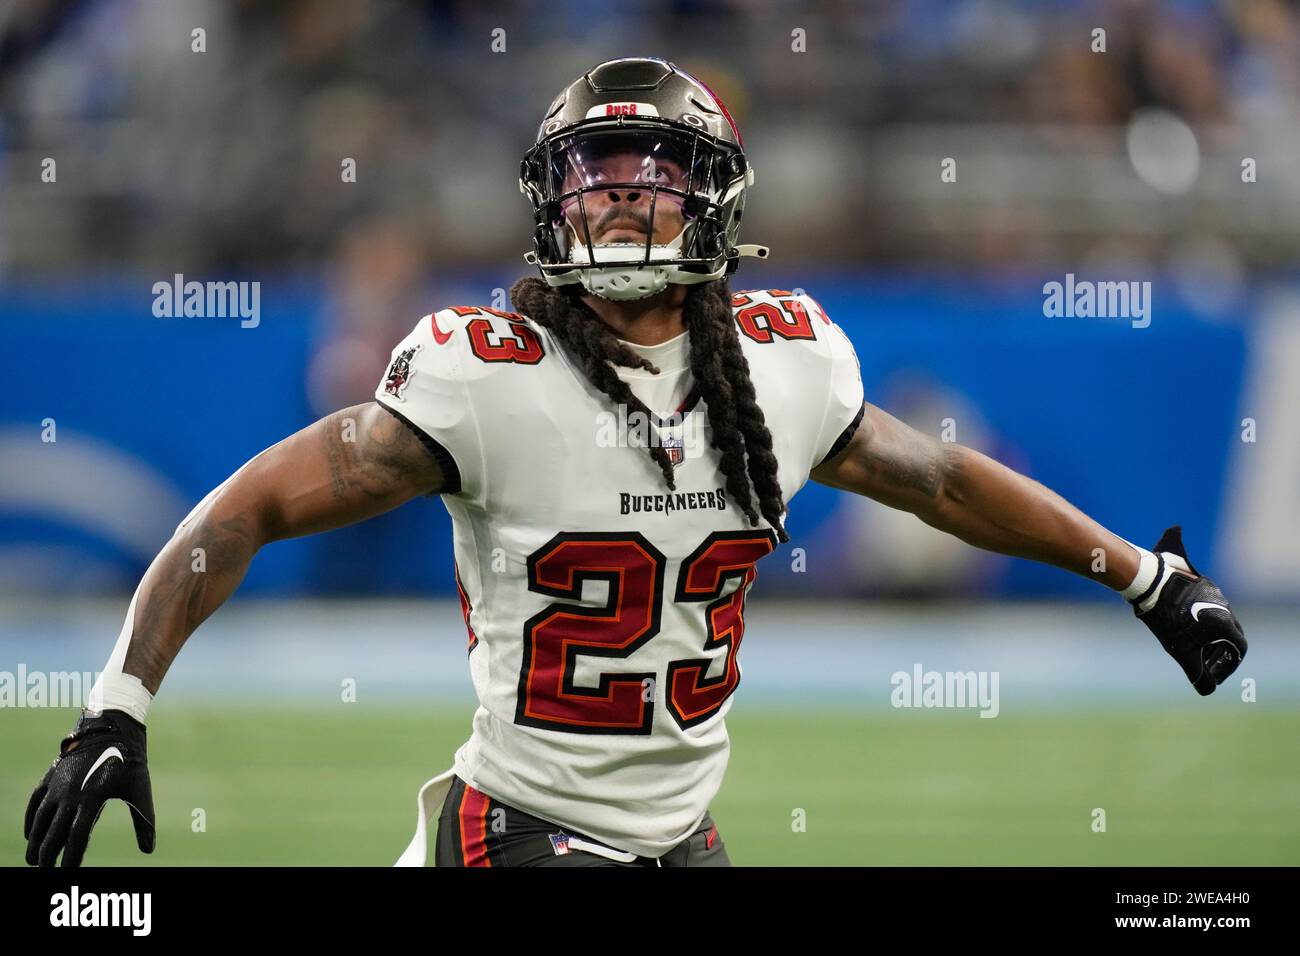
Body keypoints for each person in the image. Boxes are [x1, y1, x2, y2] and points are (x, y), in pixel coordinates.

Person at [24, 57, 1246, 868]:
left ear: (712, 202)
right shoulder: (481, 369)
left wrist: (1142, 573)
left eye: (651, 179)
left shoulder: (787, 358)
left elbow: (938, 479)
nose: (616, 204)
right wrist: (116, 704)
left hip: (677, 837)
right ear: (547, 205)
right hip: (517, 829)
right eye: (589, 177)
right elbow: (244, 509)